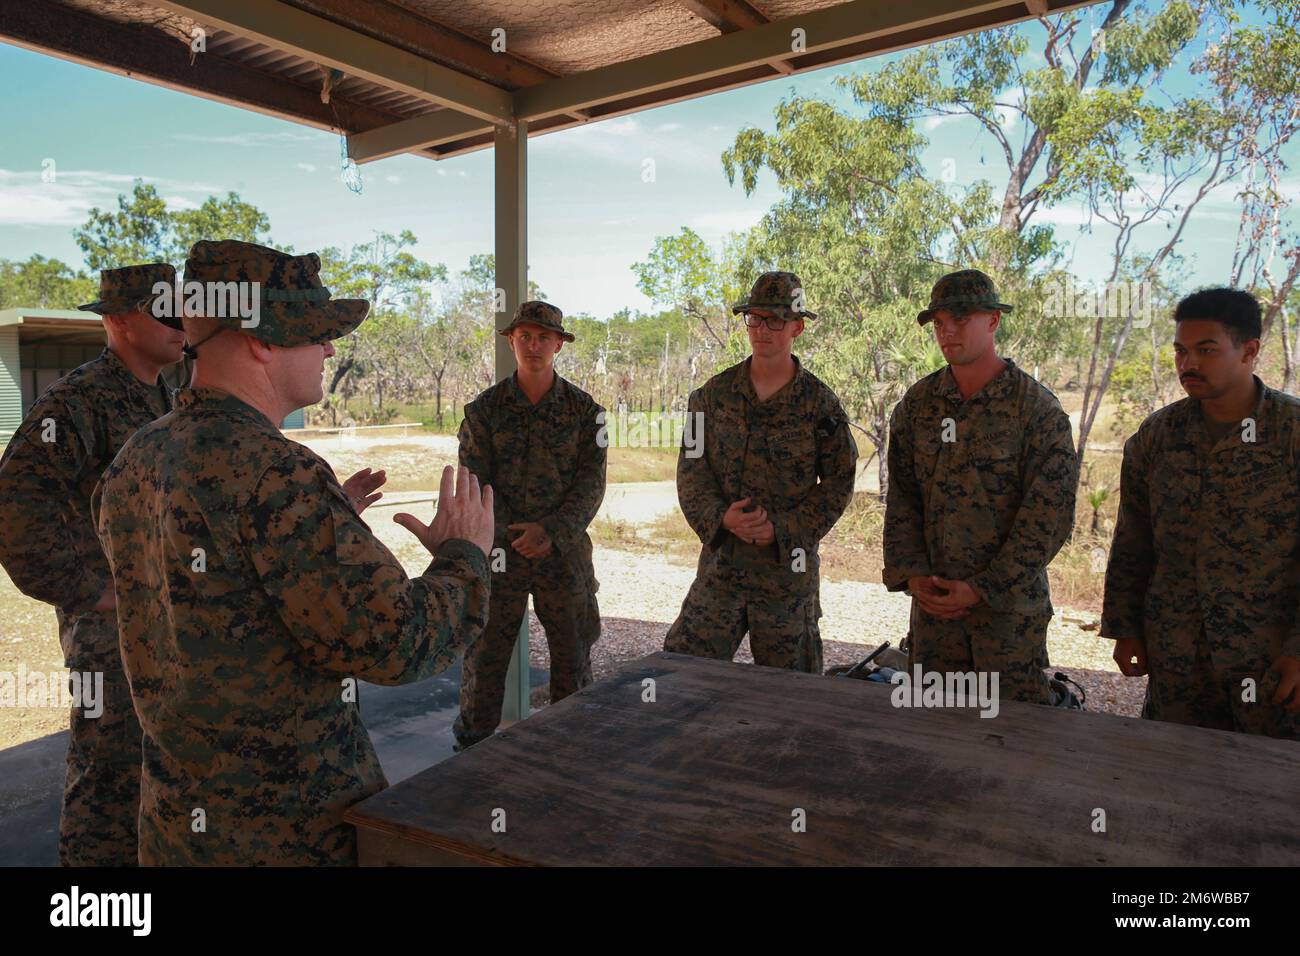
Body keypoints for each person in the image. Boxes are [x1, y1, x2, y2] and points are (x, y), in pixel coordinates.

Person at [92, 240, 493, 864]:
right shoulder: (275, 473)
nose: (331, 348)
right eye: (318, 332)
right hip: (284, 835)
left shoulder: (136, 458)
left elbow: (211, 592)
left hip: (177, 830)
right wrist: (463, 555)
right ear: (262, 340)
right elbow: (398, 644)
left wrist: (316, 540)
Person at [0, 263, 184, 866]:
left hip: (167, 622)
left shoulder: (171, 397)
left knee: (161, 767)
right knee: (106, 775)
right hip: (107, 634)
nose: (182, 324)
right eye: (165, 312)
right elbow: (15, 504)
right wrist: (85, 591)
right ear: (119, 320)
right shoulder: (78, 402)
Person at [1103, 287, 1300, 738]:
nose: (1188, 364)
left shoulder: (1291, 433)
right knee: (1173, 777)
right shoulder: (1158, 435)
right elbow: (1132, 539)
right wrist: (1125, 627)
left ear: (1250, 351)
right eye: (1181, 351)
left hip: (1268, 660)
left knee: (1271, 787)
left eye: (1206, 350)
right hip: (1178, 656)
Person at [883, 269, 1079, 705]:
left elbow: (1048, 519)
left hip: (1008, 620)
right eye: (938, 323)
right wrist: (913, 574)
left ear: (993, 320)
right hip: (934, 617)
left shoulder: (1037, 411)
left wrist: (984, 588)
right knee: (935, 736)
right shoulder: (918, 405)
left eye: (960, 318)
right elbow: (903, 499)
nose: (947, 331)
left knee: (1011, 742)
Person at [665, 271, 857, 673]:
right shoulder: (710, 397)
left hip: (787, 575)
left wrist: (783, 530)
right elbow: (691, 471)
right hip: (722, 567)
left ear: (798, 327)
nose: (763, 329)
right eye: (755, 318)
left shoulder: (820, 405)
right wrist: (721, 518)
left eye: (776, 320)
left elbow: (838, 482)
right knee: (682, 673)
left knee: (792, 695)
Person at [453, 301, 606, 751]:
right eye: (524, 337)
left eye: (543, 338)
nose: (533, 345)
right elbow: (473, 481)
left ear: (559, 344)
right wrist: (513, 536)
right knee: (484, 661)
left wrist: (552, 533)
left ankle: (570, 753)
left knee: (572, 657)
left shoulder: (586, 412)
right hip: (499, 555)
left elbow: (590, 484)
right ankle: (470, 756)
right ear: (511, 341)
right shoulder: (484, 411)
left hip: (564, 554)